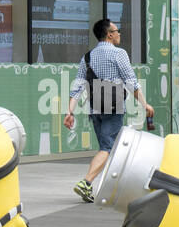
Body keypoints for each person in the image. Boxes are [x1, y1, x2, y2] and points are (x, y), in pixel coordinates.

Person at [65, 17, 154, 203]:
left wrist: (69, 111)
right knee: (107, 148)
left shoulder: (87, 57)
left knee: (107, 148)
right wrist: (145, 104)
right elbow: (131, 82)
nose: (119, 33)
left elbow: (78, 86)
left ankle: (104, 187)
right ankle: (86, 182)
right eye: (116, 30)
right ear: (109, 34)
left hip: (96, 108)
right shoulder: (119, 54)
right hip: (113, 107)